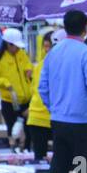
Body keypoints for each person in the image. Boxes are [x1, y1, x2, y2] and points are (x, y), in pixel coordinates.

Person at [37, 10, 87, 173]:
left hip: (59, 120)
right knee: (81, 164)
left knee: (59, 163)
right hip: (84, 122)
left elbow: (43, 87)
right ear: (85, 28)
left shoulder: (53, 53)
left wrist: (53, 107)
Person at [0, 27, 33, 146]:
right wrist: (4, 82)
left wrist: (29, 70)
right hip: (10, 103)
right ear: (8, 44)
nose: (18, 48)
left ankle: (27, 153)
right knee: (14, 132)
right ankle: (15, 154)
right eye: (15, 46)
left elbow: (28, 65)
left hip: (26, 100)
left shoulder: (21, 53)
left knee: (29, 131)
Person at [24, 31, 60, 163]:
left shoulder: (41, 65)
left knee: (42, 158)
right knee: (58, 159)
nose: (46, 50)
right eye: (44, 46)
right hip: (46, 116)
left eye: (49, 46)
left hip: (43, 116)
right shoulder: (47, 65)